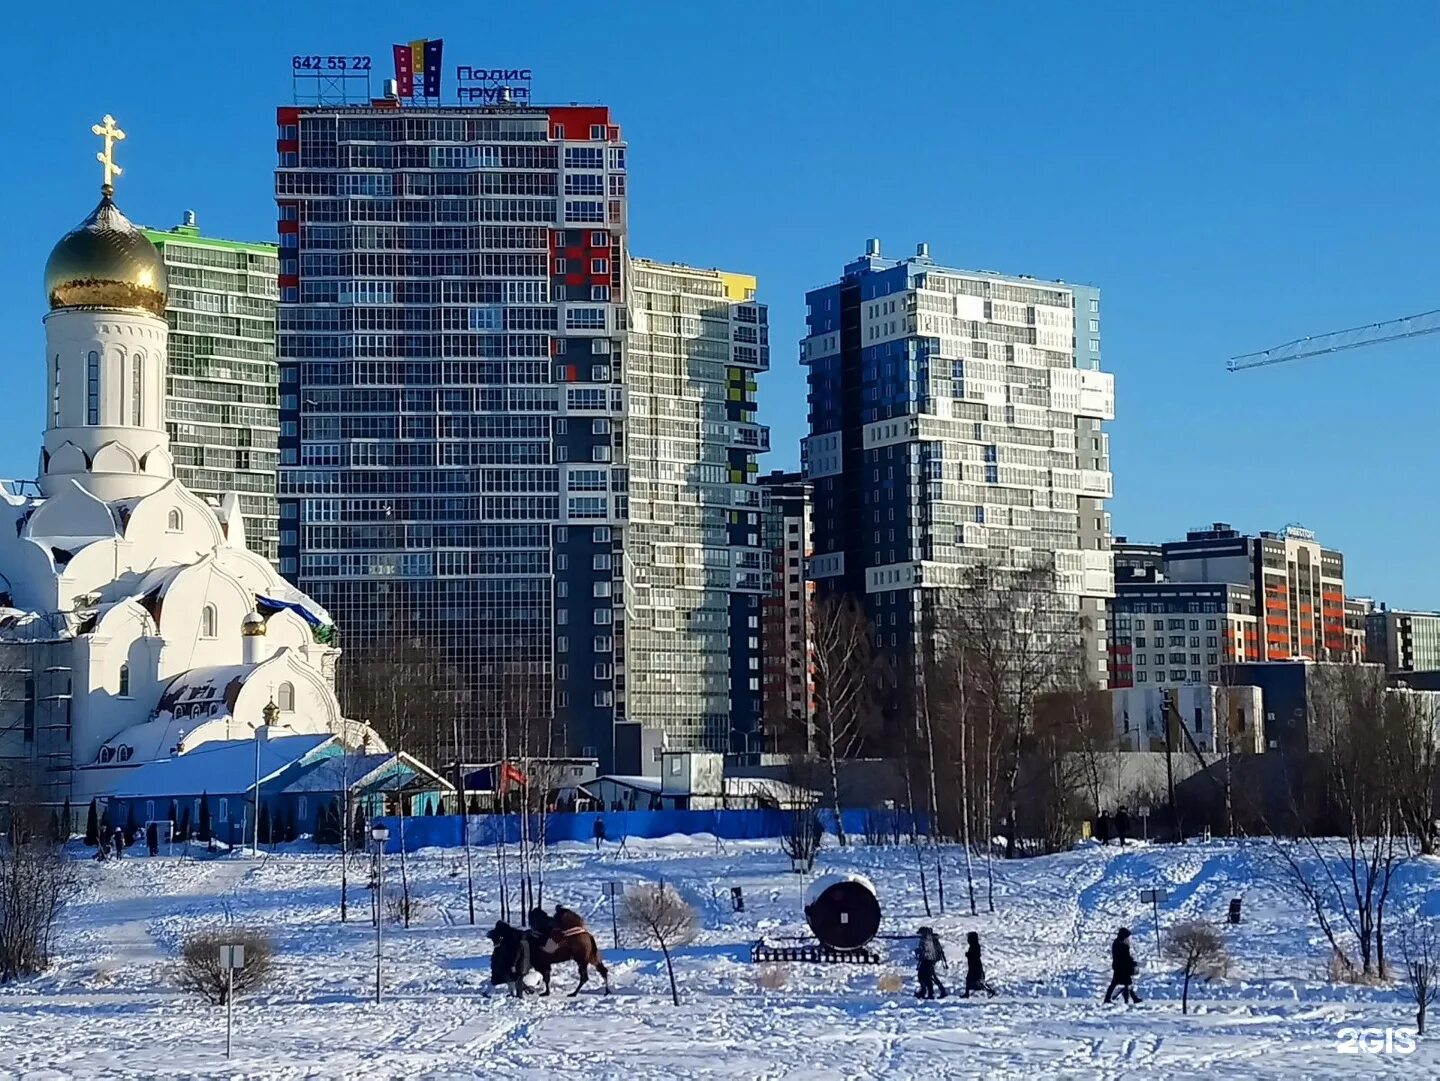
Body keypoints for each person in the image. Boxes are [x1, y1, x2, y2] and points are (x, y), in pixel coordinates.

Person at [1104, 927, 1141, 1004]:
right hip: (1123, 967)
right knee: (1127, 983)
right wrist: (1132, 962)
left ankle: (1108, 998)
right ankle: (1128, 999)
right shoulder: (1123, 945)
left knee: (1115, 983)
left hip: (1118, 966)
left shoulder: (1116, 942)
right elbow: (1126, 957)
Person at [914, 926, 948, 1000]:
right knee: (929, 976)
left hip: (928, 960)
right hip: (928, 960)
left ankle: (930, 993)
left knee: (925, 977)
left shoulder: (927, 940)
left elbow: (927, 951)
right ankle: (939, 991)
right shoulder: (927, 939)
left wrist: (919, 952)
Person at [963, 931, 996, 998]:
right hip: (973, 966)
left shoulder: (975, 946)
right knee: (970, 980)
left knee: (978, 981)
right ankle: (967, 993)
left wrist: (968, 955)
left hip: (975, 966)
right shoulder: (973, 945)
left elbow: (976, 955)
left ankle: (990, 991)